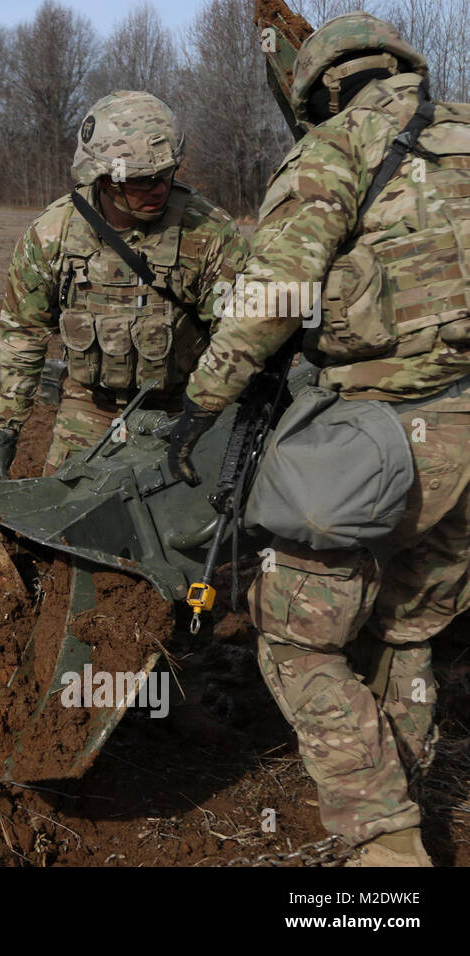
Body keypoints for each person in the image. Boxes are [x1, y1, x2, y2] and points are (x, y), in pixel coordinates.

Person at [169, 12, 470, 866]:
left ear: (322, 91)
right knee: (407, 629)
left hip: (384, 437)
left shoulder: (334, 149)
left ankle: (385, 843)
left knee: (298, 636)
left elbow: (274, 290)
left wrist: (204, 399)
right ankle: (405, 781)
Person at [0, 90, 248, 480]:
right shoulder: (53, 234)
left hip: (182, 409)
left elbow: (238, 337)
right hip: (90, 405)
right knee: (68, 506)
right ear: (102, 178)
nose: (159, 189)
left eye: (166, 175)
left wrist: (205, 414)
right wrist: (4, 433)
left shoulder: (206, 233)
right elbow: (23, 332)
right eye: (143, 181)